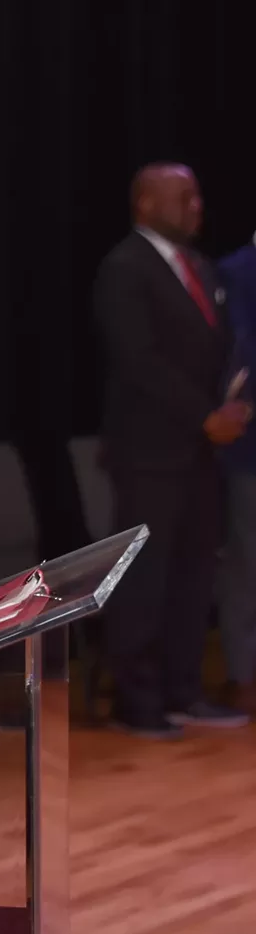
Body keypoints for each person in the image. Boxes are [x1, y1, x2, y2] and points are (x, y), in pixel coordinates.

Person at [92, 163, 252, 738]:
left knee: (193, 575)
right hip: (149, 454)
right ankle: (135, 700)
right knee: (146, 578)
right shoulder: (125, 267)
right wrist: (204, 415)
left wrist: (231, 403)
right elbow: (139, 361)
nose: (196, 206)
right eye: (184, 197)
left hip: (201, 454)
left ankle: (184, 690)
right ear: (145, 203)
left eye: (197, 196)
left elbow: (217, 350)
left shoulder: (200, 267)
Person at [218, 231, 256, 710]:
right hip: (249, 443)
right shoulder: (236, 272)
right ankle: (242, 674)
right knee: (248, 563)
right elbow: (239, 353)